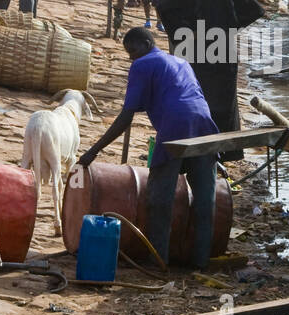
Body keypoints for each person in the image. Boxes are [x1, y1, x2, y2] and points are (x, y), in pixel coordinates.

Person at [78, 27, 219, 268]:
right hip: (205, 122)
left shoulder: (142, 65)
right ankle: (200, 260)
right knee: (206, 199)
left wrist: (94, 150)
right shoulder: (180, 62)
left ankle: (158, 261)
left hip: (175, 127)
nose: (131, 57)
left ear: (146, 44)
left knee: (159, 197)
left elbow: (126, 118)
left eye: (132, 51)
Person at [158, 0, 265, 161]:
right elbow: (165, 9)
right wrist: (184, 34)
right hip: (198, 55)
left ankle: (226, 151)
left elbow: (257, 10)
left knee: (226, 103)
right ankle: (200, 145)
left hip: (224, 55)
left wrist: (232, 27)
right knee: (201, 99)